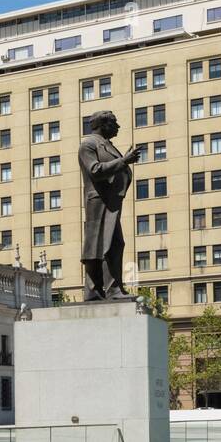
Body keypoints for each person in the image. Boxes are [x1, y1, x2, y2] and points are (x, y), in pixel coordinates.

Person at [78, 110, 140, 301]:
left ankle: (103, 290)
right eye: (114, 123)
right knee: (100, 246)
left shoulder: (105, 145)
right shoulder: (88, 144)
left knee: (113, 243)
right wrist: (124, 161)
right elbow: (95, 170)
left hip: (111, 202)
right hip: (99, 202)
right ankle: (104, 290)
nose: (118, 127)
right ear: (102, 124)